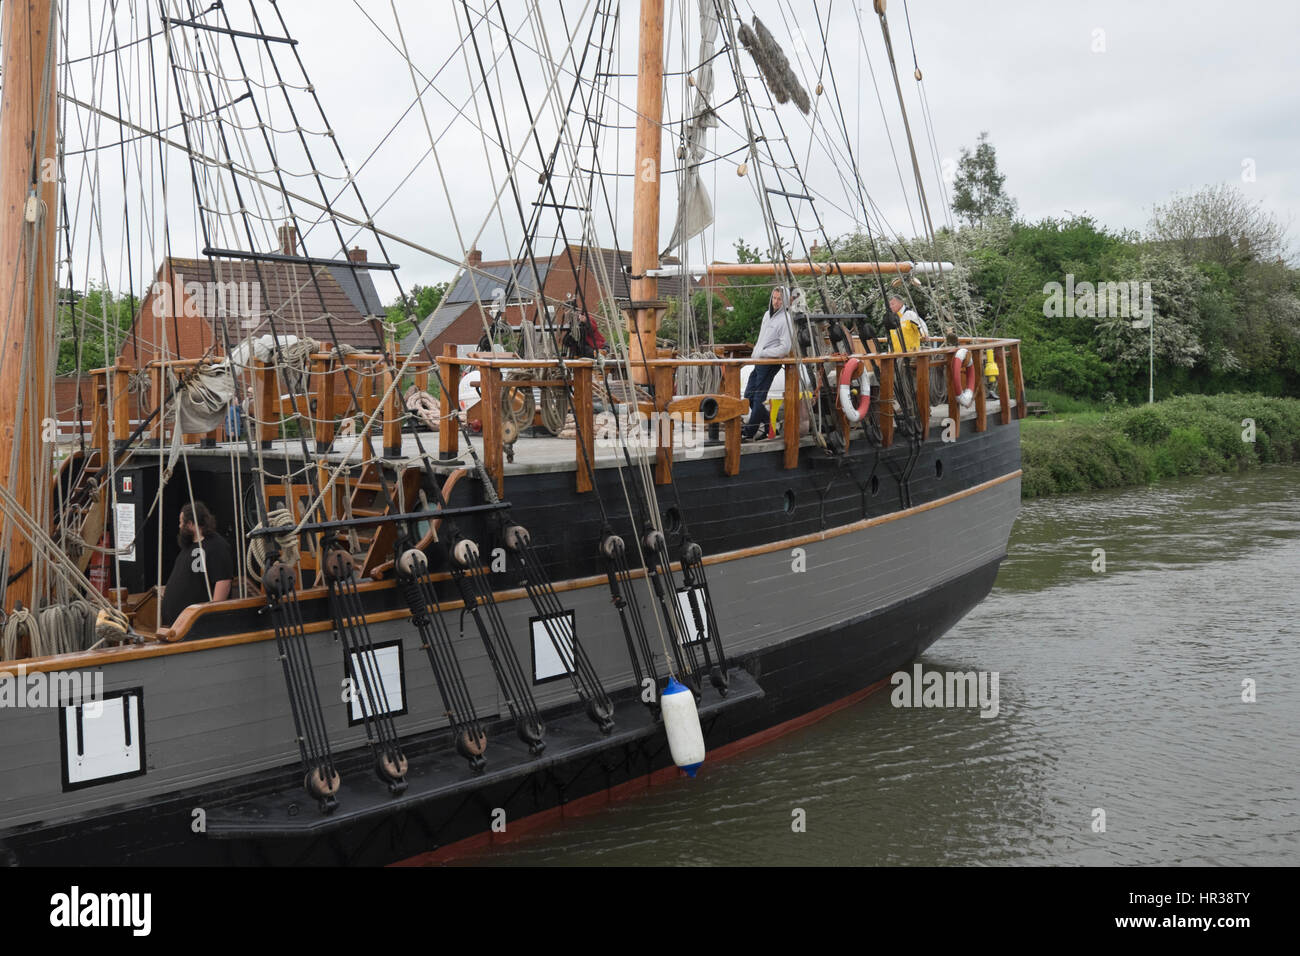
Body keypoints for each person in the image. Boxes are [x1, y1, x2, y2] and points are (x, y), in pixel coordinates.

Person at [159, 501, 234, 628]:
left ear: (190, 524)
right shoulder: (188, 546)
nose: (179, 526)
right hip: (175, 625)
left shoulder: (217, 546)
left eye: (181, 522)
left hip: (197, 625)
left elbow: (223, 582)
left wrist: (213, 615)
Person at [742, 286, 794, 440]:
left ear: (784, 301)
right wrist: (756, 352)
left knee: (758, 397)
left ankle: (749, 432)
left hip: (770, 363)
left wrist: (763, 353)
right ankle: (771, 425)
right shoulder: (767, 315)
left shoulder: (786, 320)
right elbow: (762, 339)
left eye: (779, 299)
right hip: (759, 362)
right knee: (749, 395)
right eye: (774, 298)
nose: (776, 302)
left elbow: (785, 348)